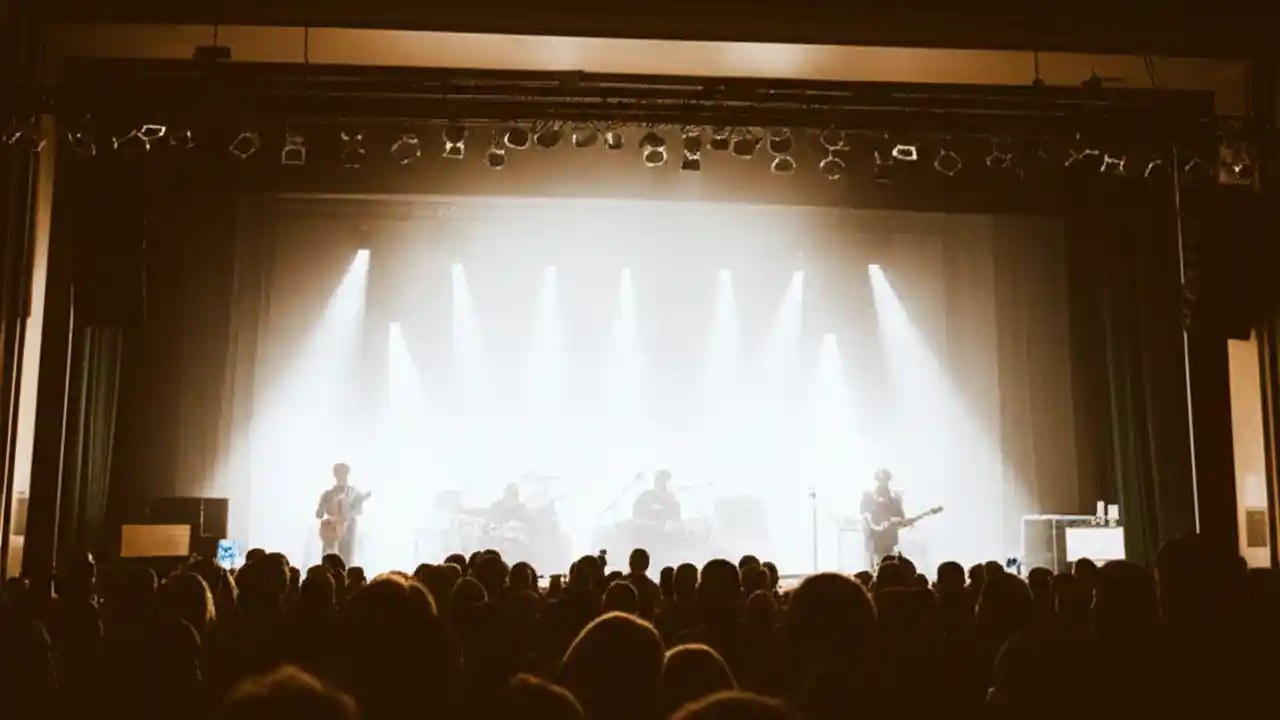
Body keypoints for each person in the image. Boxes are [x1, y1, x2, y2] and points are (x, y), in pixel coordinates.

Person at [315, 463, 370, 563]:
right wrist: (322, 511)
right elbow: (320, 512)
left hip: (348, 531)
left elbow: (358, 511)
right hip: (331, 531)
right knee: (328, 558)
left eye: (343, 474)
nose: (341, 476)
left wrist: (348, 514)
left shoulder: (354, 493)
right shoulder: (328, 494)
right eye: (338, 474)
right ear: (335, 475)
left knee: (346, 559)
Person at [860, 469, 905, 569]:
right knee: (874, 565)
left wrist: (893, 521)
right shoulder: (868, 499)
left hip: (889, 539)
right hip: (874, 539)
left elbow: (901, 518)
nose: (882, 483)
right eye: (880, 480)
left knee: (888, 564)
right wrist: (874, 524)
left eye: (885, 480)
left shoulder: (894, 500)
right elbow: (864, 515)